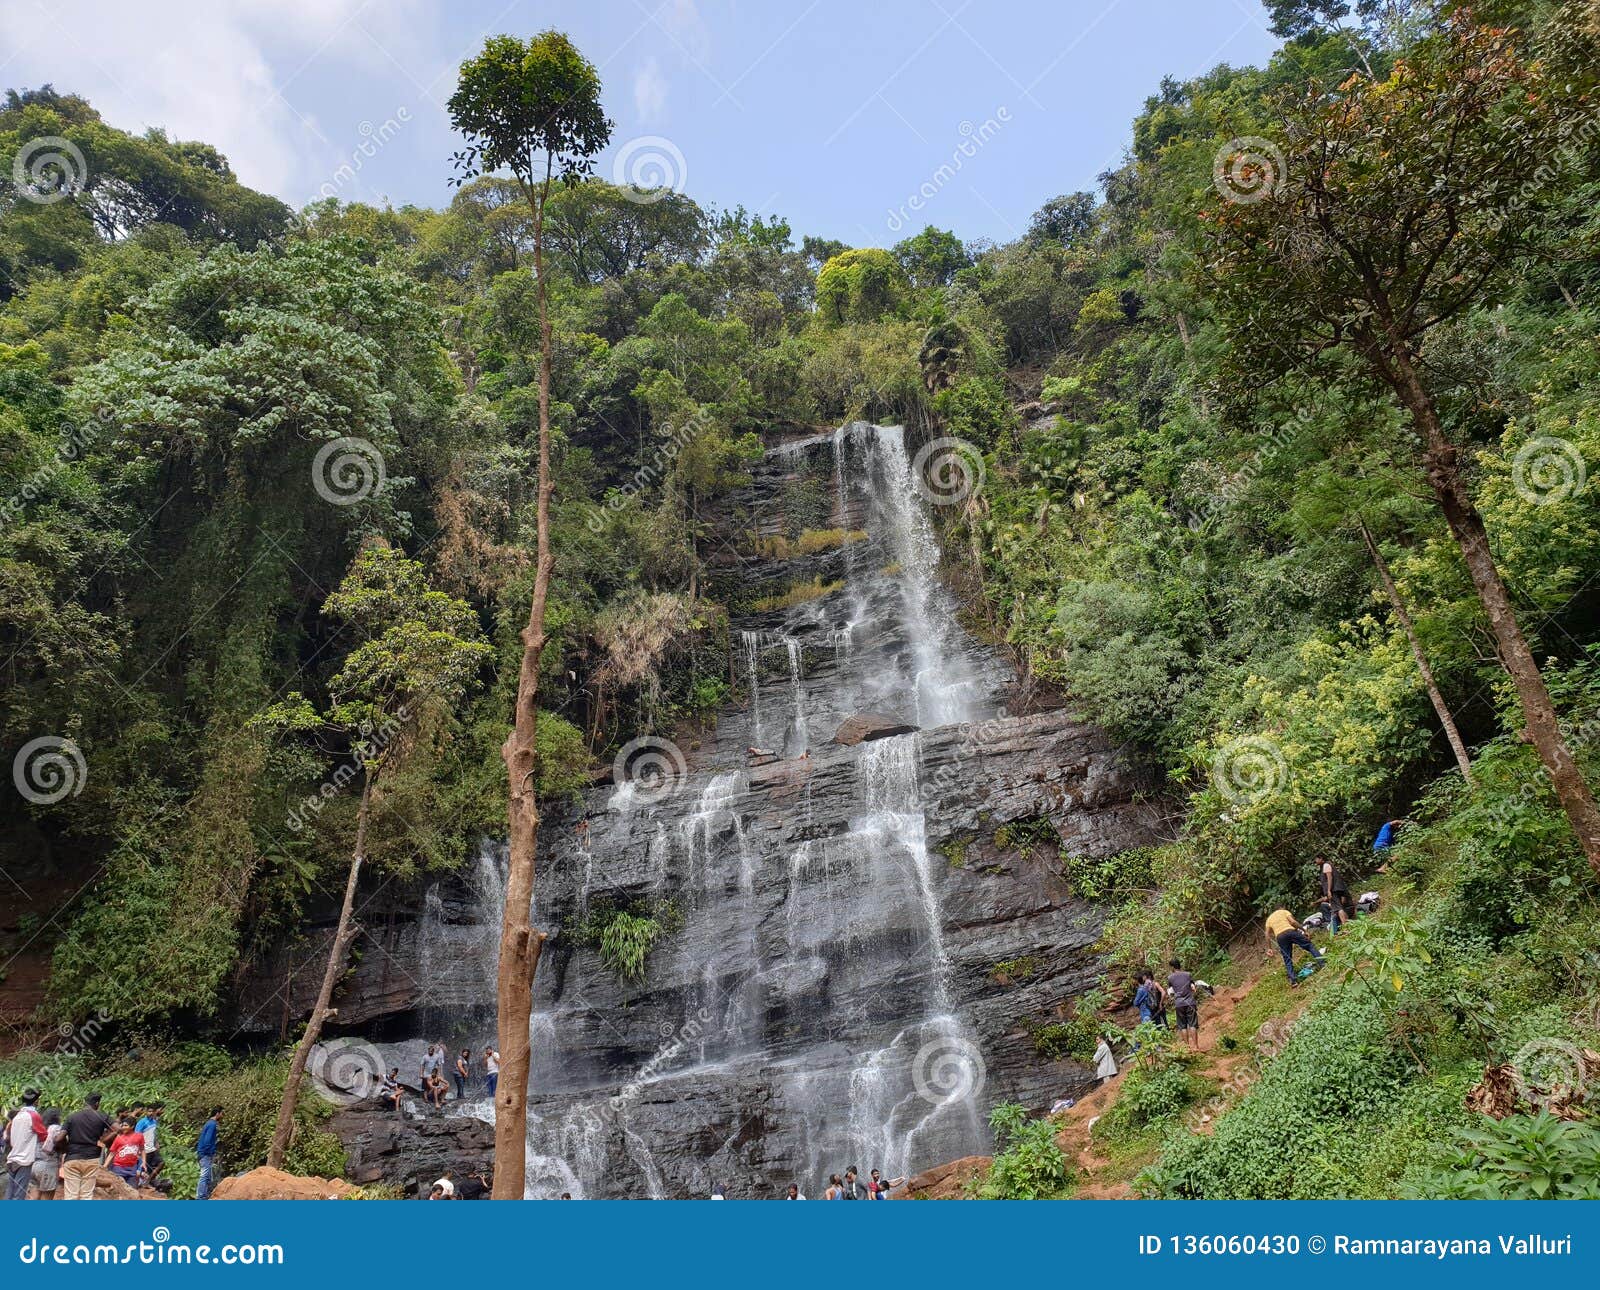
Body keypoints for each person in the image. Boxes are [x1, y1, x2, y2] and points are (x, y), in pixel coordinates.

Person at [61, 1094, 113, 1201]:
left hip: (72, 1157)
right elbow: (117, 1129)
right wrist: (103, 1140)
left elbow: (60, 1137)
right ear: (97, 1104)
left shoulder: (72, 1117)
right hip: (92, 1158)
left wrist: (65, 1148)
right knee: (87, 1194)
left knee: (71, 1194)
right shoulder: (102, 1116)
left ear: (84, 1103)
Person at [1266, 908, 1324, 986]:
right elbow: (1293, 922)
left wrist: (1269, 948)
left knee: (1287, 958)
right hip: (1290, 931)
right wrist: (1303, 930)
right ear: (1281, 908)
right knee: (1309, 946)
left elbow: (1267, 934)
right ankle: (1322, 963)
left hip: (1280, 937)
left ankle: (1293, 981)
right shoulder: (1284, 911)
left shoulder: (1269, 919)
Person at [7, 1089, 45, 1199]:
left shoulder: (17, 1116)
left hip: (12, 1158)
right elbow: (44, 1135)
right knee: (19, 1195)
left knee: (10, 1193)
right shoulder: (33, 1116)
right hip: (24, 1160)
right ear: (36, 1101)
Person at [1168, 959, 1200, 1049]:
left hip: (1179, 1004)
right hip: (1190, 1002)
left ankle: (1188, 1048)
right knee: (1193, 1024)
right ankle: (1196, 1046)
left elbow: (1171, 991)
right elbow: (1193, 987)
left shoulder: (1170, 978)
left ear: (1172, 967)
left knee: (1183, 1026)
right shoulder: (1188, 975)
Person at [32, 1109, 63, 1200]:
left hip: (35, 1165)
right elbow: (60, 1144)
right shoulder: (56, 1129)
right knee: (47, 1197)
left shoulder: (39, 1128)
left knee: (35, 1194)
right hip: (48, 1165)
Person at [1319, 856, 1356, 933]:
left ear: (1321, 858)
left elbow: (1329, 878)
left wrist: (1329, 890)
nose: (1315, 861)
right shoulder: (1328, 864)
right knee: (1339, 907)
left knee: (1338, 908)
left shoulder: (1326, 865)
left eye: (1316, 859)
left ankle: (1346, 928)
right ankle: (1348, 925)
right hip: (1337, 889)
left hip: (1333, 890)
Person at [107, 1118, 144, 1187]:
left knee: (132, 1190)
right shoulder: (119, 1138)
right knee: (118, 1189)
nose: (123, 1128)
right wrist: (104, 1166)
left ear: (132, 1126)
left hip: (132, 1169)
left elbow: (142, 1150)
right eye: (122, 1125)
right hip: (118, 1168)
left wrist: (142, 1164)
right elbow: (112, 1153)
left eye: (125, 1125)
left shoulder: (139, 1136)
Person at [195, 1107, 221, 1200]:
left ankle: (206, 1195)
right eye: (221, 1113)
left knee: (208, 1176)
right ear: (217, 1113)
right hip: (205, 1154)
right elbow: (207, 1140)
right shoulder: (212, 1124)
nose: (222, 1115)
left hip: (203, 1153)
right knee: (204, 1175)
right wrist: (209, 1153)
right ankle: (200, 1196)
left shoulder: (209, 1123)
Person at [134, 1106, 164, 1180]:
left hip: (153, 1148)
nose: (150, 1113)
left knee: (161, 1163)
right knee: (144, 1168)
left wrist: (156, 1143)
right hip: (145, 1149)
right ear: (145, 1112)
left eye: (152, 1112)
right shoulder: (141, 1122)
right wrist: (138, 1149)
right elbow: (137, 1135)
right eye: (149, 1111)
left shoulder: (154, 1121)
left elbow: (154, 1133)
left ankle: (149, 1180)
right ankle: (141, 1183)